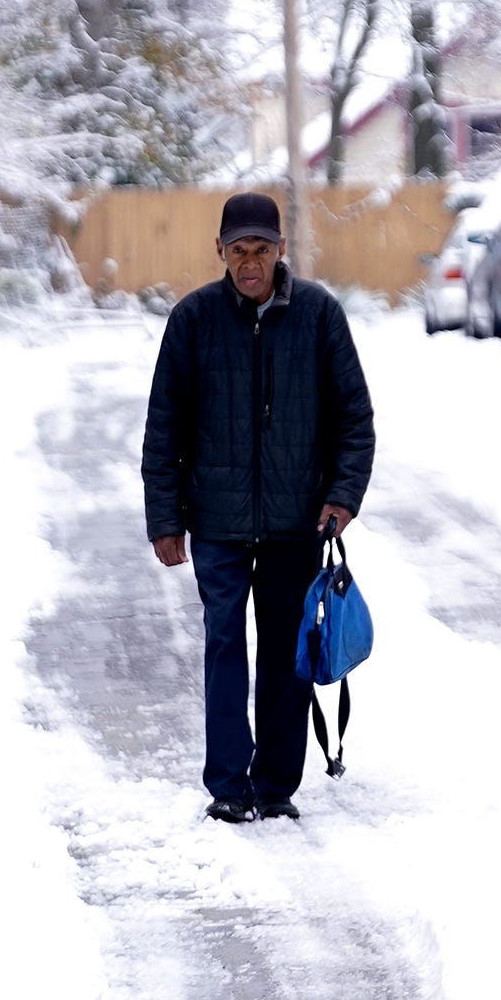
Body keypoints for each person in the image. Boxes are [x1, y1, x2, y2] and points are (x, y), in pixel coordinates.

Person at [141, 191, 375, 823]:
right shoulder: (193, 321)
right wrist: (165, 520)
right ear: (220, 251)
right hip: (215, 522)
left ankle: (274, 785)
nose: (251, 263)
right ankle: (227, 784)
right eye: (239, 251)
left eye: (262, 251)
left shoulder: (320, 317)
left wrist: (341, 498)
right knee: (224, 646)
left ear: (280, 251)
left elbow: (355, 418)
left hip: (296, 524)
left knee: (284, 654)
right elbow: (163, 429)